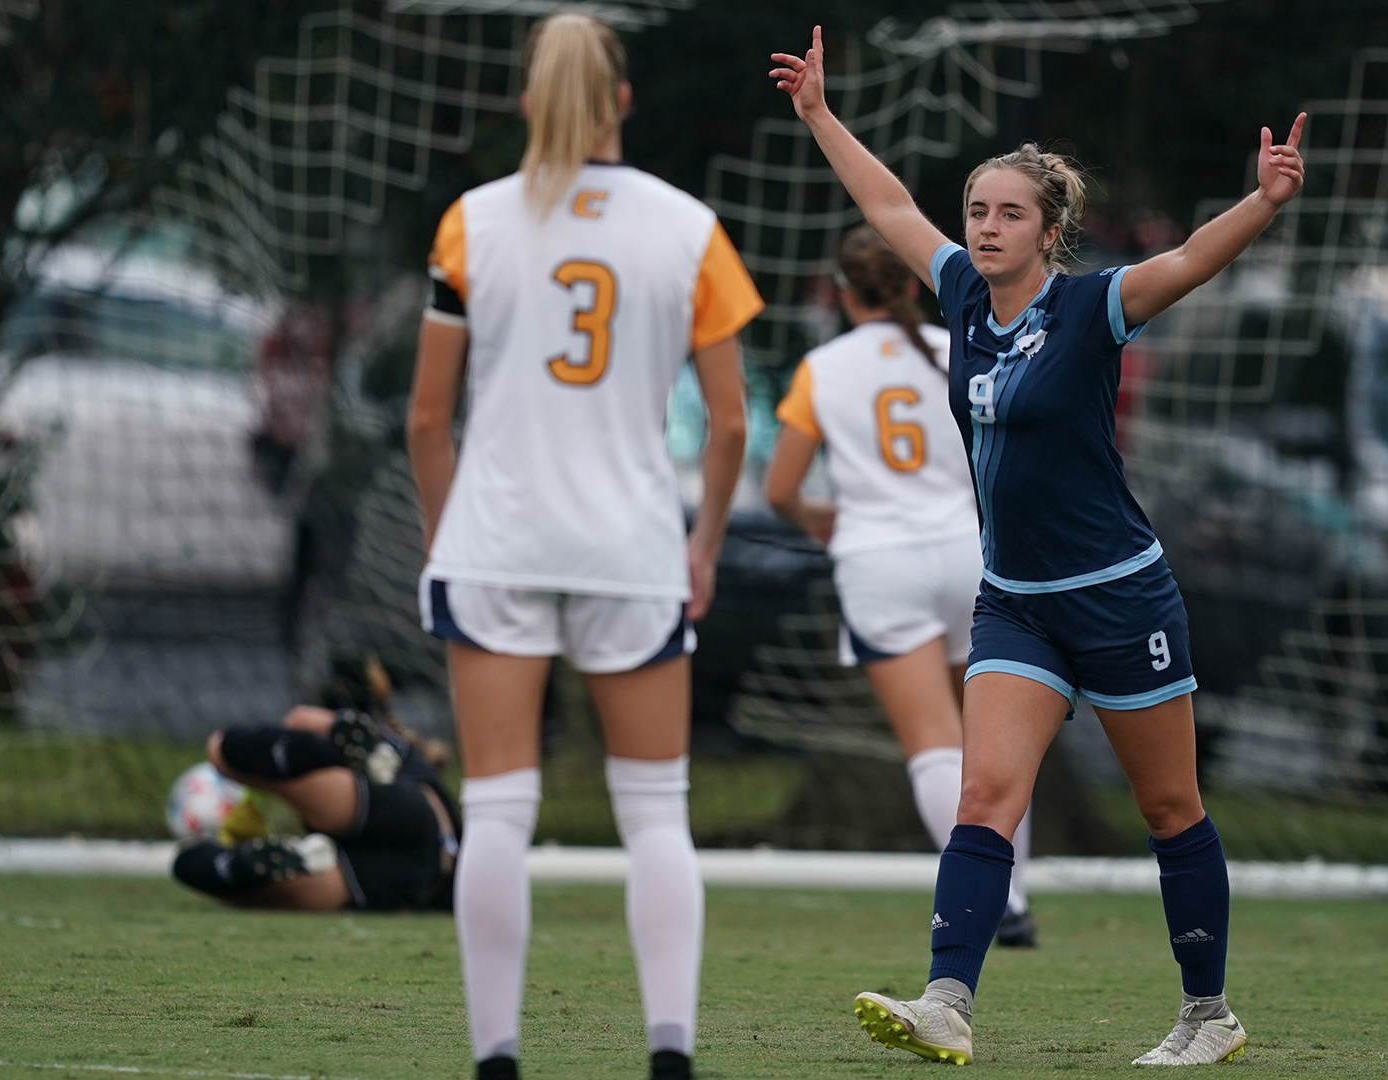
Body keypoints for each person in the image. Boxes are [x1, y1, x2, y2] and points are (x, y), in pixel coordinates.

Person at [770, 27, 1306, 1067]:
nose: (985, 226)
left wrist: (1266, 200)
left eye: (1010, 212)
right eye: (977, 209)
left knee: (1169, 807)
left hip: (1118, 595)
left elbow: (1189, 260)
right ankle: (947, 1003)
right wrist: (820, 115)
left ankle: (1208, 1013)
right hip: (1014, 600)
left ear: (1051, 231)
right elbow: (889, 207)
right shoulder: (960, 295)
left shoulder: (1091, 305)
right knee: (983, 797)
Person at [407, 11, 761, 1080]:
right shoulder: (688, 228)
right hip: (630, 549)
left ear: (528, 101)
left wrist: (448, 543)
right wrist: (704, 545)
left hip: (497, 545)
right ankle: (670, 1055)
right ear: (623, 100)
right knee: (654, 815)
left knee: (496, 811)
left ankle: (497, 1059)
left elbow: (426, 420)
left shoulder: (472, 221)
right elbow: (731, 423)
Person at [763, 225, 1037, 948]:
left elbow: (780, 488)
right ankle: (1016, 891)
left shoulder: (823, 368)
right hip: (972, 553)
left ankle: (1001, 903)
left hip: (881, 561)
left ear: (842, 294)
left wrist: (816, 518)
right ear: (915, 283)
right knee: (991, 739)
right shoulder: (963, 348)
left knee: (933, 745)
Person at [173, 704, 459, 913]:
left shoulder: (404, 754)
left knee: (198, 866)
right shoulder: (407, 756)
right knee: (223, 749)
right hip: (420, 875)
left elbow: (300, 718)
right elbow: (301, 719)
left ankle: (237, 865)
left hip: (400, 841)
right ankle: (328, 752)